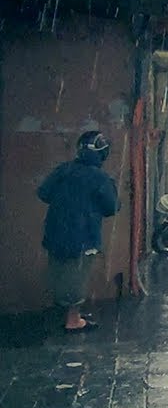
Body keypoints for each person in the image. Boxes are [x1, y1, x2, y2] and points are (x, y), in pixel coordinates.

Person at [37, 131, 120, 332]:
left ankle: (67, 314)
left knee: (59, 273)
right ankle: (73, 321)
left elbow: (43, 193)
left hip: (55, 232)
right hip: (84, 235)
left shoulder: (63, 170)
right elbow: (111, 207)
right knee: (77, 276)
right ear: (103, 153)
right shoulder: (100, 178)